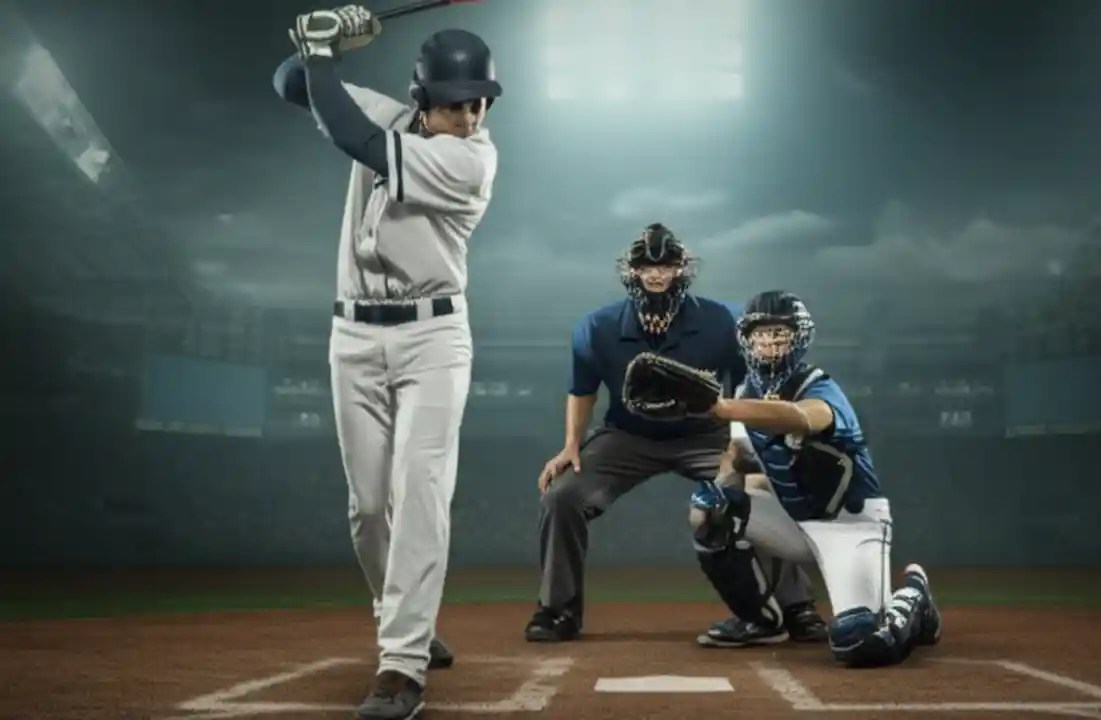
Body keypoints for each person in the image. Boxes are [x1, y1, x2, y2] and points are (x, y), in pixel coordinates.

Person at [274, 6, 501, 718]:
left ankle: (402, 665)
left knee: (420, 492)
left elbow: (353, 136)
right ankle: (406, 615)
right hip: (352, 338)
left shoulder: (472, 159)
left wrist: (323, 57)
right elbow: (290, 84)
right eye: (454, 103)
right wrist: (321, 42)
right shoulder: (390, 115)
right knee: (367, 508)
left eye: (479, 102)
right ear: (421, 97)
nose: (468, 115)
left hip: (433, 339)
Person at [525, 224, 827, 645]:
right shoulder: (596, 327)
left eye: (665, 264)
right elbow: (582, 391)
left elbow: (747, 389)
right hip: (628, 436)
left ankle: (797, 607)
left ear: (681, 269)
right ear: (630, 270)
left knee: (760, 490)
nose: (656, 274)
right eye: (647, 265)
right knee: (561, 496)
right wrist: (571, 444)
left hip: (706, 432)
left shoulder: (723, 320)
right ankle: (558, 611)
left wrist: (742, 448)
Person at [687, 290, 943, 665]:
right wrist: (727, 503)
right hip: (797, 520)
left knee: (861, 642)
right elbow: (740, 461)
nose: (770, 343)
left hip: (850, 523)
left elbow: (806, 417)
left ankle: (915, 597)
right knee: (710, 507)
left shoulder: (819, 386)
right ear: (747, 339)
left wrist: (721, 407)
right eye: (762, 334)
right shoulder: (747, 392)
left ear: (799, 338)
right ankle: (759, 620)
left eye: (780, 334)